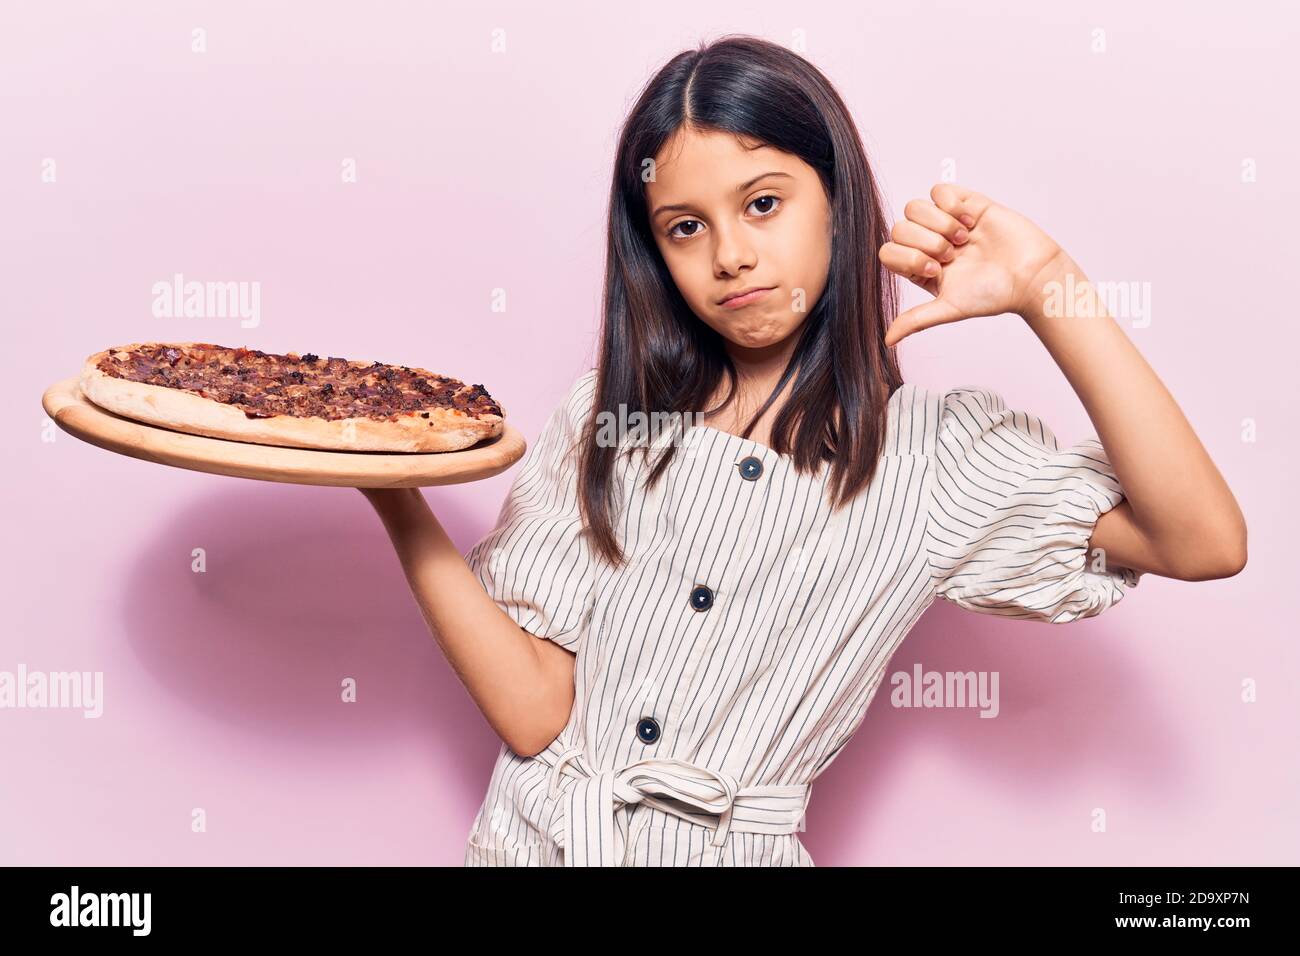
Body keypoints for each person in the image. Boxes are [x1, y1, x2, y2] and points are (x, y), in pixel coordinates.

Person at [360, 35, 1247, 867]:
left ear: (837, 202)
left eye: (763, 203)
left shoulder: (933, 459)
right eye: (684, 227)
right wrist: (394, 491)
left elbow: (1201, 541)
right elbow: (534, 714)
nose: (731, 256)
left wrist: (1050, 288)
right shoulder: (606, 421)